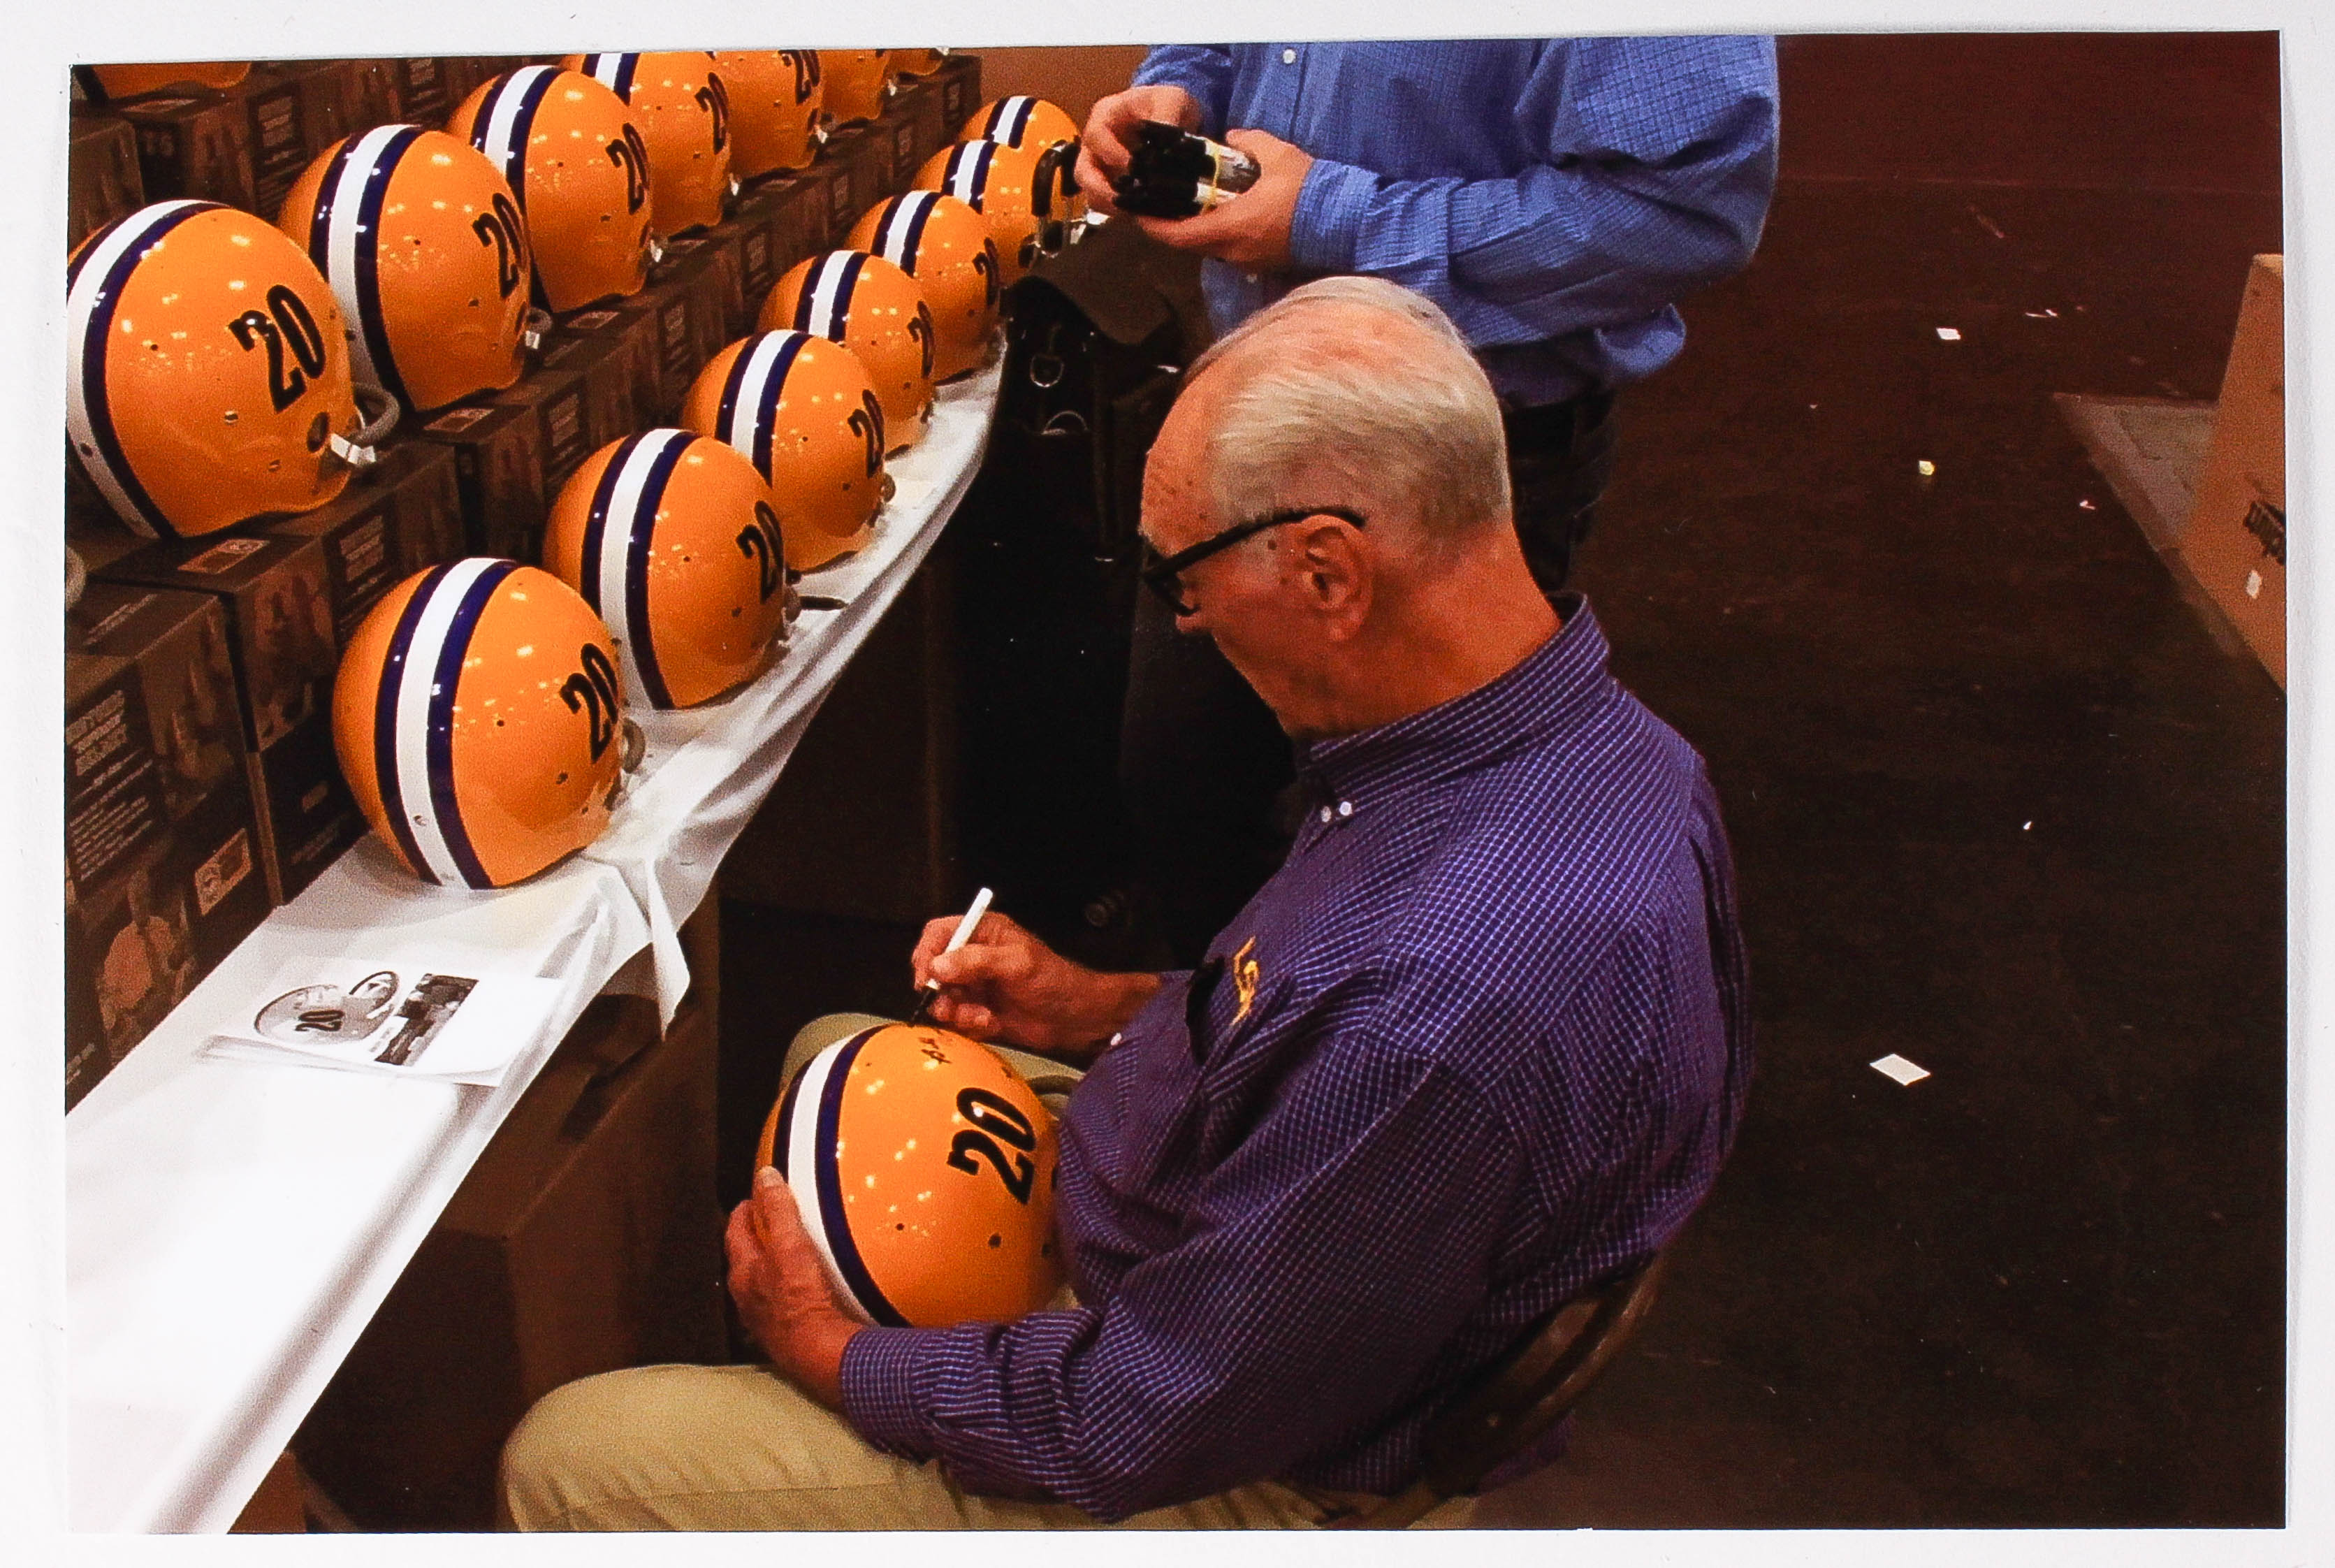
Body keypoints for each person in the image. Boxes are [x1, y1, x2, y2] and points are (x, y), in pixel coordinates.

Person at [500, 277, 1753, 1531]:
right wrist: (1097, 1007)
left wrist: (826, 1353)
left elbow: (1131, 1417)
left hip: (1242, 1456)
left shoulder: (1433, 1003)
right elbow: (1313, 1024)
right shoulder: (1601, 756)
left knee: (574, 1455)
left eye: (1185, 581)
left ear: (1328, 573)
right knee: (837, 1055)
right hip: (1260, 1264)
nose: (1188, 622)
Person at [1077, 38, 1780, 963]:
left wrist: (1334, 220)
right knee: (1187, 792)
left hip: (1449, 449)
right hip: (1250, 407)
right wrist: (1180, 87)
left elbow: (1686, 210)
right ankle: (1219, 1067)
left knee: (1415, 883)